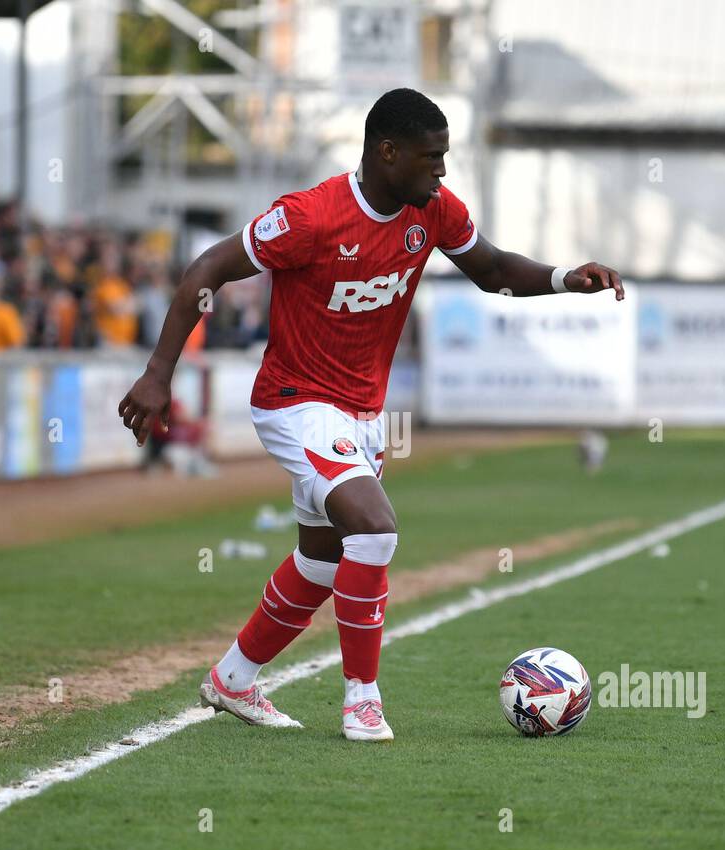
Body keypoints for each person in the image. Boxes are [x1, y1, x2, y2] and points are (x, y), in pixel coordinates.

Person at [119, 88, 624, 741]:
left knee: (322, 563)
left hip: (360, 414)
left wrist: (563, 279)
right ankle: (362, 700)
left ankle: (233, 678)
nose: (442, 171)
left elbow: (492, 268)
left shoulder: (433, 211)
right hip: (295, 401)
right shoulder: (311, 217)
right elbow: (208, 268)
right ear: (388, 153)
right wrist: (160, 372)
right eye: (431, 157)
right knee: (376, 529)